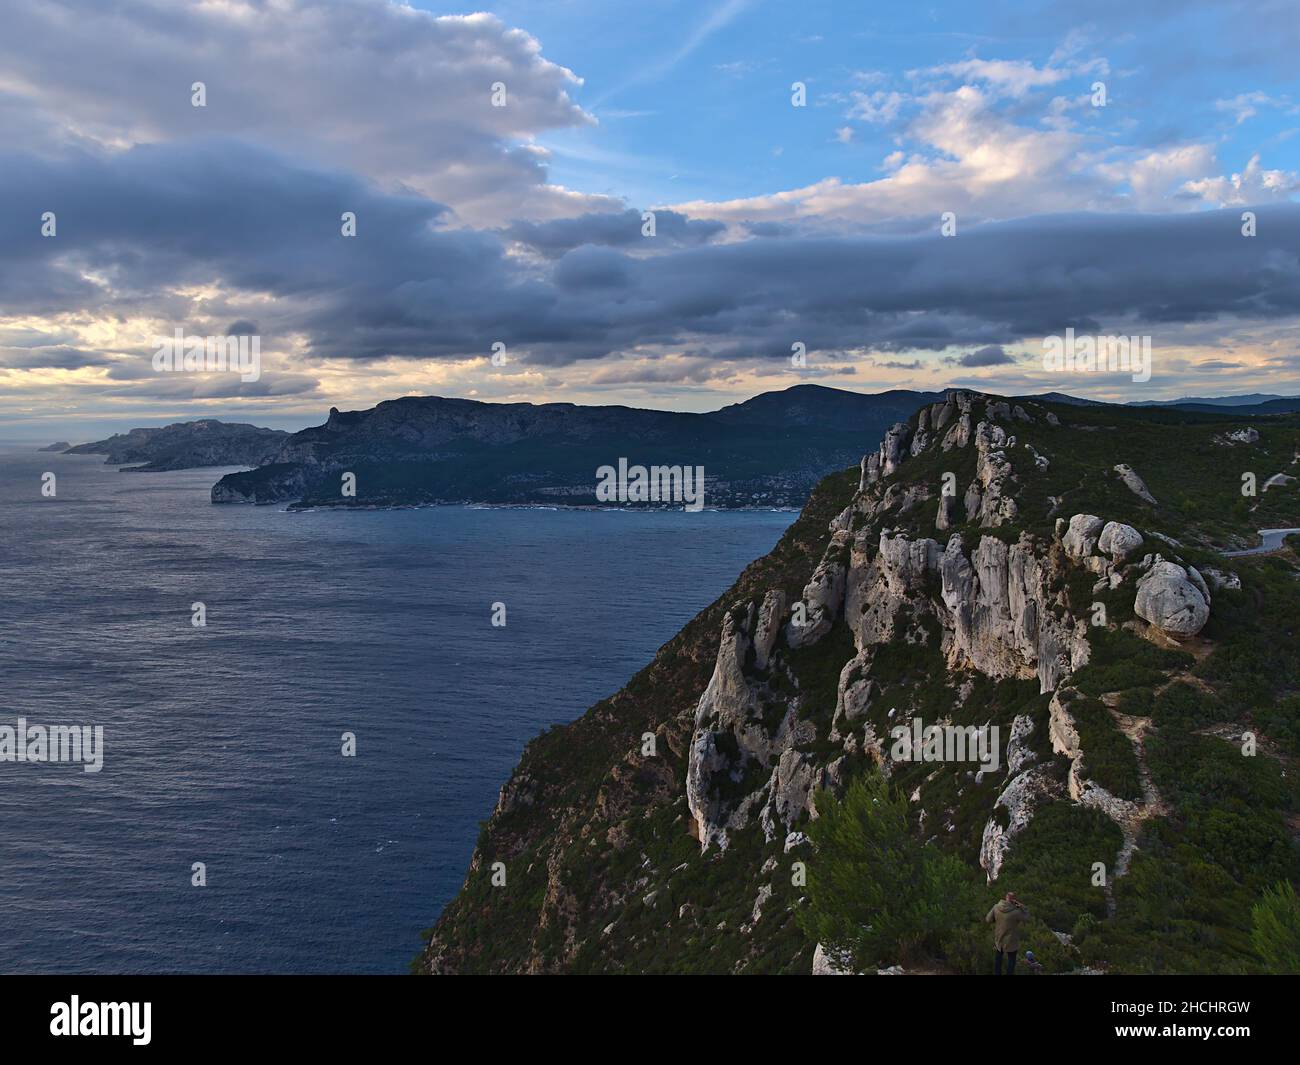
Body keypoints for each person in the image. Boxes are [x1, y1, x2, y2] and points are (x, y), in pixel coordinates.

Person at [985, 891, 1030, 975]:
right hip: (1011, 940)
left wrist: (997, 919)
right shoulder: (1016, 912)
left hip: (999, 938)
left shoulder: (996, 907)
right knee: (1011, 960)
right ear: (1014, 900)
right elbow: (1027, 918)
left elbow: (988, 919)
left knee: (998, 958)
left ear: (1005, 898)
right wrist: (1023, 907)